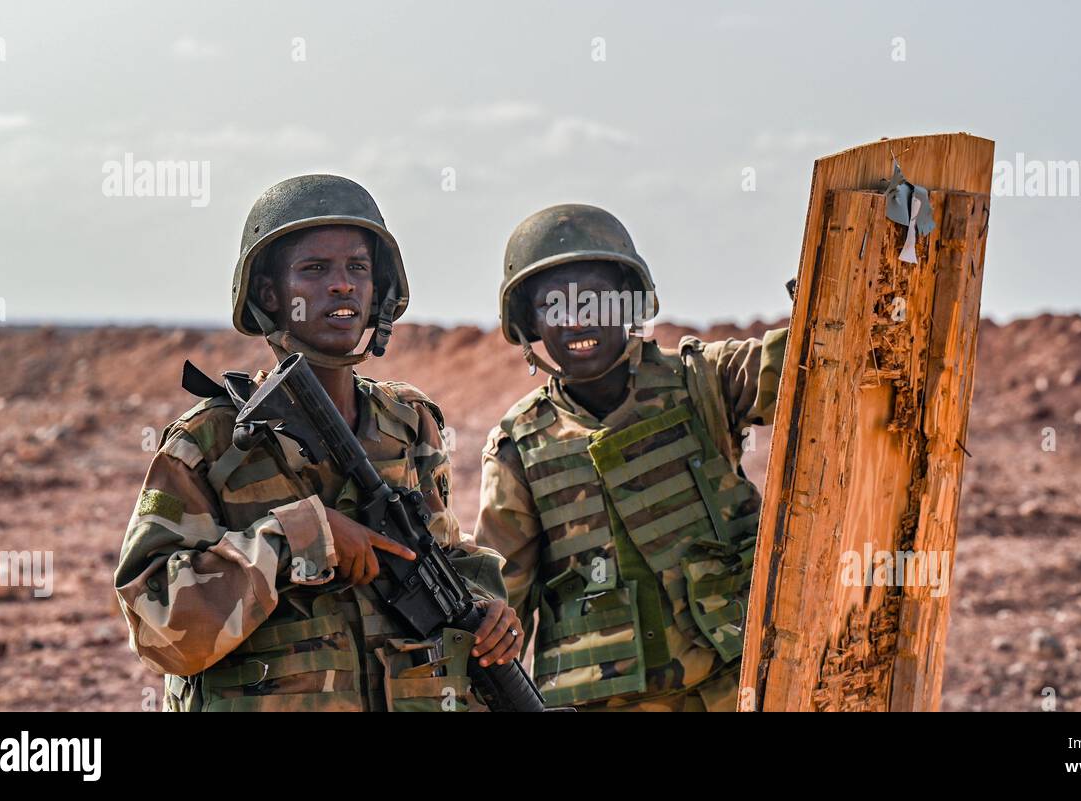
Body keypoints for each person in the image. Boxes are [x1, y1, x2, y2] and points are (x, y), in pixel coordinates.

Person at [114, 174, 522, 711]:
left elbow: (442, 555)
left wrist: (488, 608)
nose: (342, 285)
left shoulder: (408, 423)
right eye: (315, 269)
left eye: (358, 267)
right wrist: (297, 538)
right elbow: (157, 627)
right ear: (268, 294)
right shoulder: (209, 443)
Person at [475, 203, 787, 711]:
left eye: (597, 299)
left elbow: (807, 362)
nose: (578, 320)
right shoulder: (520, 447)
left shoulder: (702, 381)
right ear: (529, 322)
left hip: (740, 686)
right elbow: (500, 608)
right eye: (554, 305)